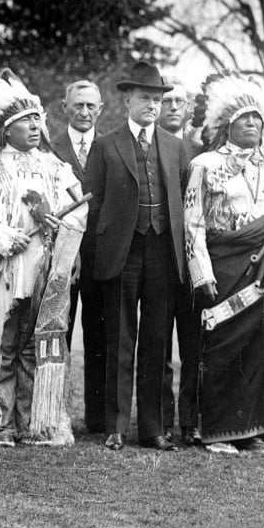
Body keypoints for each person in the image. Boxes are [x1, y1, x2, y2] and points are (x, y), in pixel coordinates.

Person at [0, 70, 86, 445]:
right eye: (25, 122)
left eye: (36, 120)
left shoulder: (54, 167)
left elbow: (77, 210)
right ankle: (1, 423)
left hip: (45, 272)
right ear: (5, 129)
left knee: (36, 348)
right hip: (2, 273)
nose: (34, 127)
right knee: (0, 346)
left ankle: (35, 422)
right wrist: (4, 236)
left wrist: (54, 218)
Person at [184, 72, 264, 454]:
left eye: (258, 118)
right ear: (227, 125)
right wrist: (201, 273)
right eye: (244, 119)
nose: (253, 124)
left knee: (260, 347)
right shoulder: (204, 166)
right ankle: (220, 431)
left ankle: (253, 430)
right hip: (224, 266)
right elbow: (192, 224)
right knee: (223, 347)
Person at [85, 61, 190, 451]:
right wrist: (101, 255)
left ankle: (153, 429)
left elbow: (179, 200)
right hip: (122, 253)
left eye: (158, 99)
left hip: (163, 252)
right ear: (127, 100)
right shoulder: (105, 144)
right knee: (119, 339)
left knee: (157, 343)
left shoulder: (177, 146)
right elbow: (93, 204)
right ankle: (115, 427)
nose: (152, 105)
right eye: (145, 98)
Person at [50, 78, 106, 432]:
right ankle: (54, 412)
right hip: (60, 256)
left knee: (100, 335)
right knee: (57, 332)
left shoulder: (112, 147)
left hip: (102, 256)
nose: (84, 112)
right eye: (78, 105)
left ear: (100, 110)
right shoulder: (49, 148)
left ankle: (98, 418)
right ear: (64, 108)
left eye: (91, 106)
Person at [157, 75, 200, 440]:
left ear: (188, 108)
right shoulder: (147, 147)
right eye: (166, 100)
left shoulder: (201, 150)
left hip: (196, 260)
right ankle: (159, 421)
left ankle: (190, 423)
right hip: (159, 258)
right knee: (158, 345)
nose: (173, 107)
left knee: (194, 344)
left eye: (179, 102)